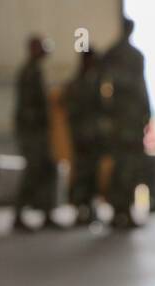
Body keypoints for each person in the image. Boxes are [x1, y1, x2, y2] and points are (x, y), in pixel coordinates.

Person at [99, 18, 152, 229]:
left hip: (123, 120)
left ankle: (121, 210)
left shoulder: (113, 54)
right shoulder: (128, 55)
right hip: (127, 120)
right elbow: (140, 85)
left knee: (124, 166)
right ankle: (122, 210)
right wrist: (145, 112)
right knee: (126, 167)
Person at [12, 34, 55, 231]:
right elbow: (28, 108)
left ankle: (47, 213)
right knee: (33, 172)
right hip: (32, 133)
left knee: (47, 170)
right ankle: (19, 215)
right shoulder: (29, 72)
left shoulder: (35, 70)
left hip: (39, 132)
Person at [65, 47, 103, 225]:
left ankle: (89, 208)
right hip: (82, 137)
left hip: (93, 137)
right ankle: (81, 209)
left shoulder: (94, 82)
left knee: (92, 174)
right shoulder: (78, 84)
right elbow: (73, 113)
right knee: (82, 174)